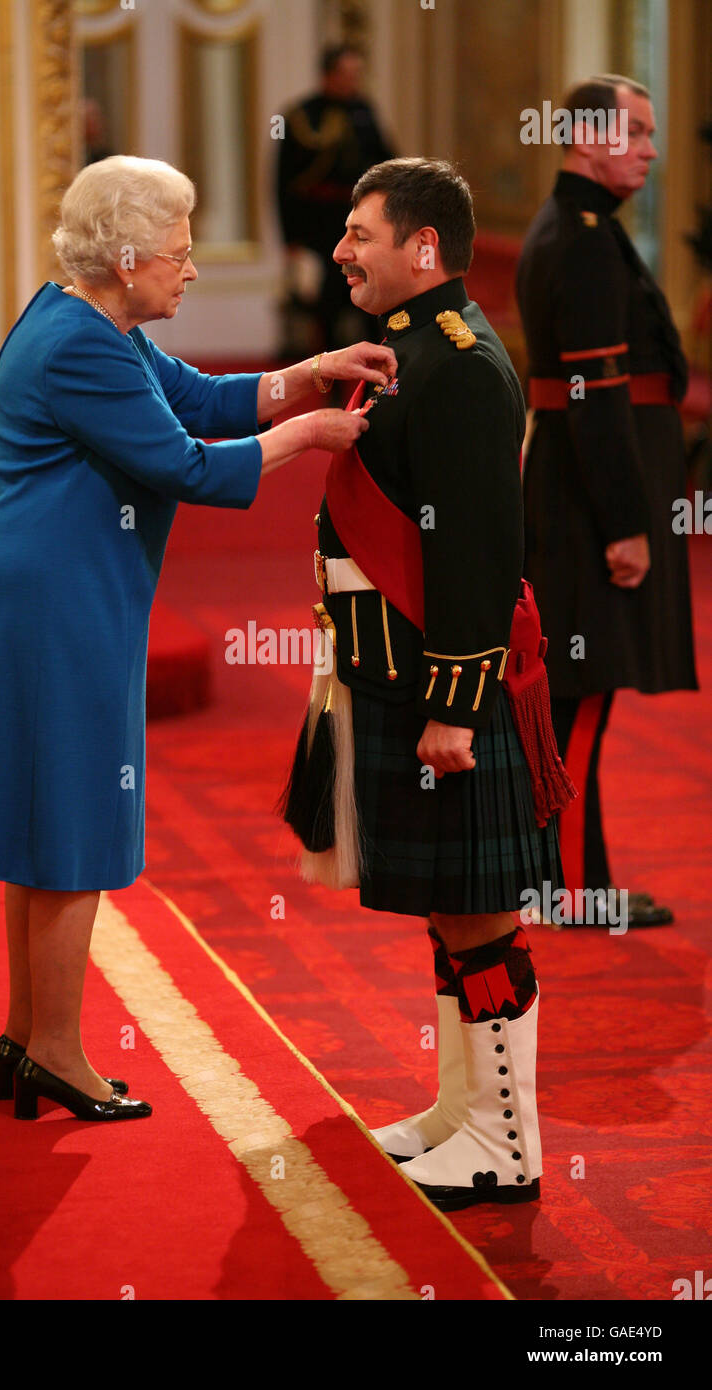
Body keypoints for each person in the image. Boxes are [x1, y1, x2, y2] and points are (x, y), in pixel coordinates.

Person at [0, 155, 396, 1123]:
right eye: (179, 255)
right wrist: (310, 433)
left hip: (47, 585)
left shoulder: (87, 321)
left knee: (43, 816)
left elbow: (198, 397)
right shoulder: (82, 343)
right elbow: (186, 462)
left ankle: (29, 1038)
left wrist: (307, 373)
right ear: (124, 258)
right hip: (56, 596)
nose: (190, 271)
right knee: (72, 824)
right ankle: (57, 1050)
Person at [280, 158, 574, 1210]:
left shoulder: (455, 364)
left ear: (423, 248)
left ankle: (505, 1140)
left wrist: (454, 707)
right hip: (394, 668)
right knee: (450, 909)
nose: (340, 250)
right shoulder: (403, 351)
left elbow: (479, 554)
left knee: (479, 916)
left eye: (360, 234)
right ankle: (459, 1112)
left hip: (438, 684)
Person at [516, 76, 698, 928]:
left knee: (581, 696)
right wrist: (627, 525)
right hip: (591, 507)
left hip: (583, 493)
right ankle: (569, 890)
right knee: (579, 696)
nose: (654, 151)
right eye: (640, 133)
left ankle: (574, 878)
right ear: (589, 138)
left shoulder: (585, 228)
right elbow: (591, 393)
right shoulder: (582, 238)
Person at [276, 44, 394, 354]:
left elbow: (387, 161)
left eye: (357, 74)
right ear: (328, 75)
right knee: (327, 308)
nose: (353, 81)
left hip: (361, 223)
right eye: (347, 74)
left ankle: (372, 384)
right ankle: (329, 379)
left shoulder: (364, 110)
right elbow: (282, 184)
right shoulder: (301, 116)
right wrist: (291, 240)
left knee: (369, 303)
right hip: (319, 226)